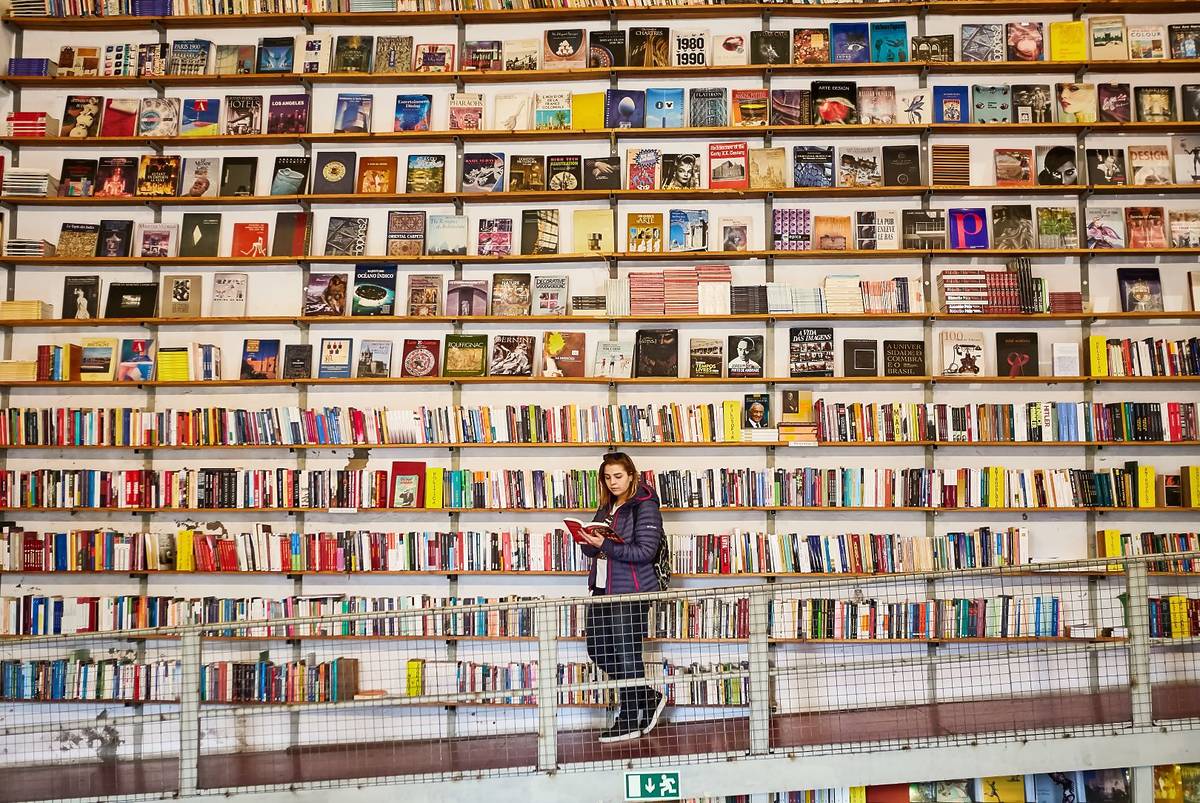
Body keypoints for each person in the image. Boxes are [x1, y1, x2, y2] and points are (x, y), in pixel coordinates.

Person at [577, 452, 667, 743]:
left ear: (631, 475)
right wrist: (587, 541)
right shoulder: (607, 506)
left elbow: (645, 552)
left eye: (618, 476)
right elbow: (594, 549)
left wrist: (606, 544)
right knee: (598, 650)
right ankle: (649, 696)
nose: (613, 482)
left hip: (632, 590)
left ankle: (628, 719)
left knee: (628, 656)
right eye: (607, 477)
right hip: (603, 589)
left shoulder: (645, 506)